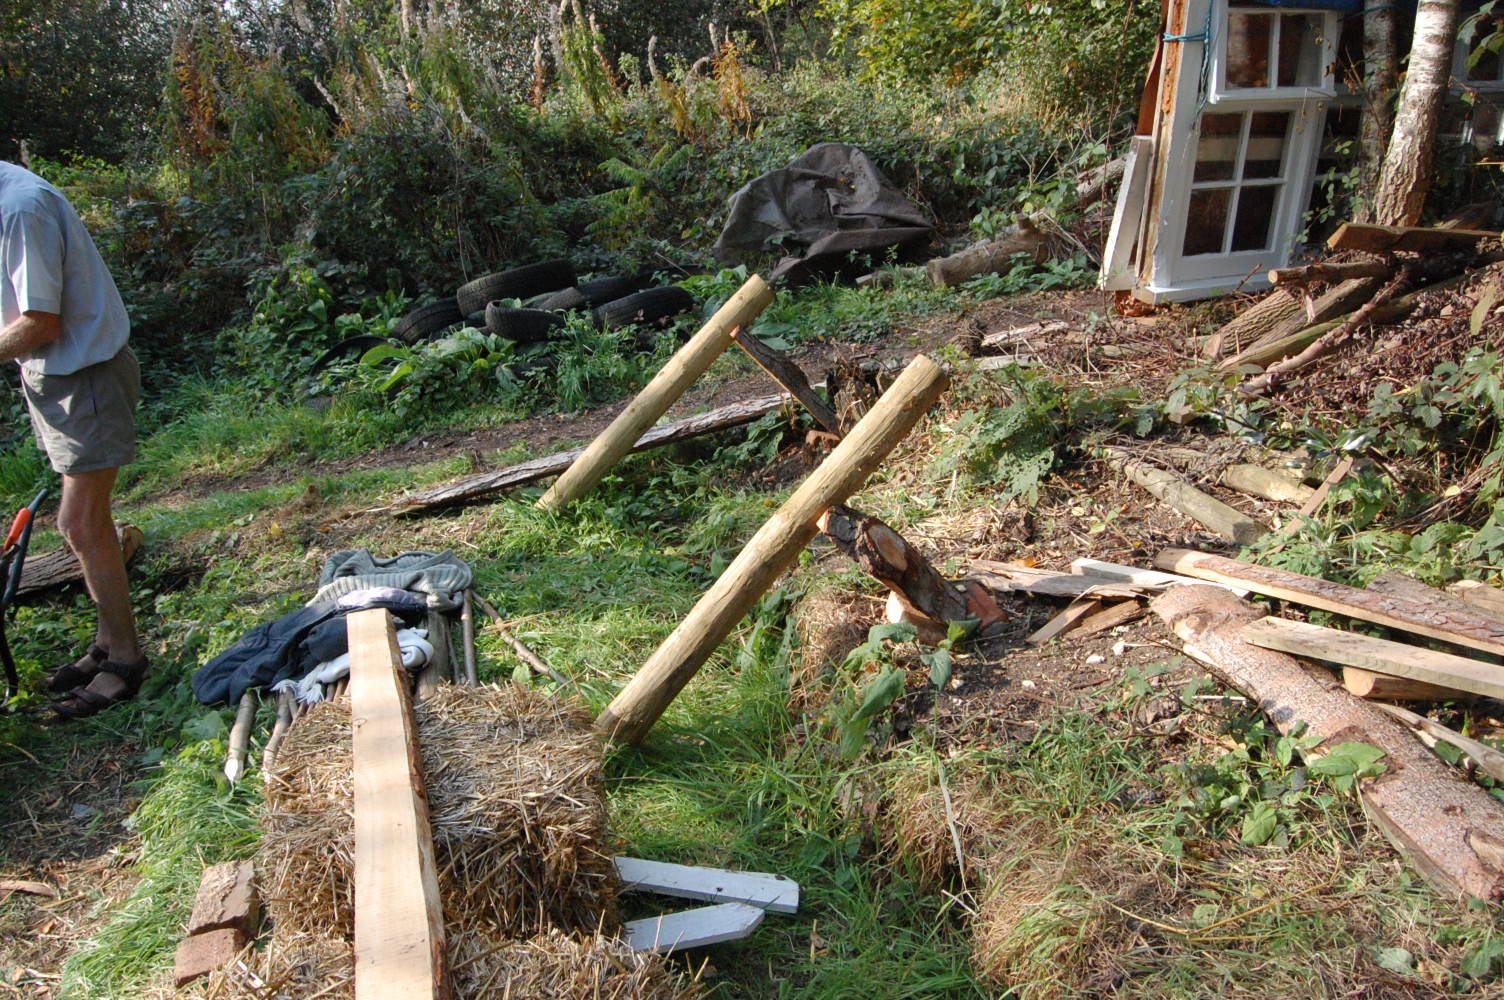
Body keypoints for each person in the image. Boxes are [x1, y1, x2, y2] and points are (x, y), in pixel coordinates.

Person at [0, 160, 145, 718]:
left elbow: (41, 322)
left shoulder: (21, 207)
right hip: (55, 376)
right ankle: (107, 645)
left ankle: (127, 660)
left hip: (83, 376)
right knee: (88, 523)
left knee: (79, 523)